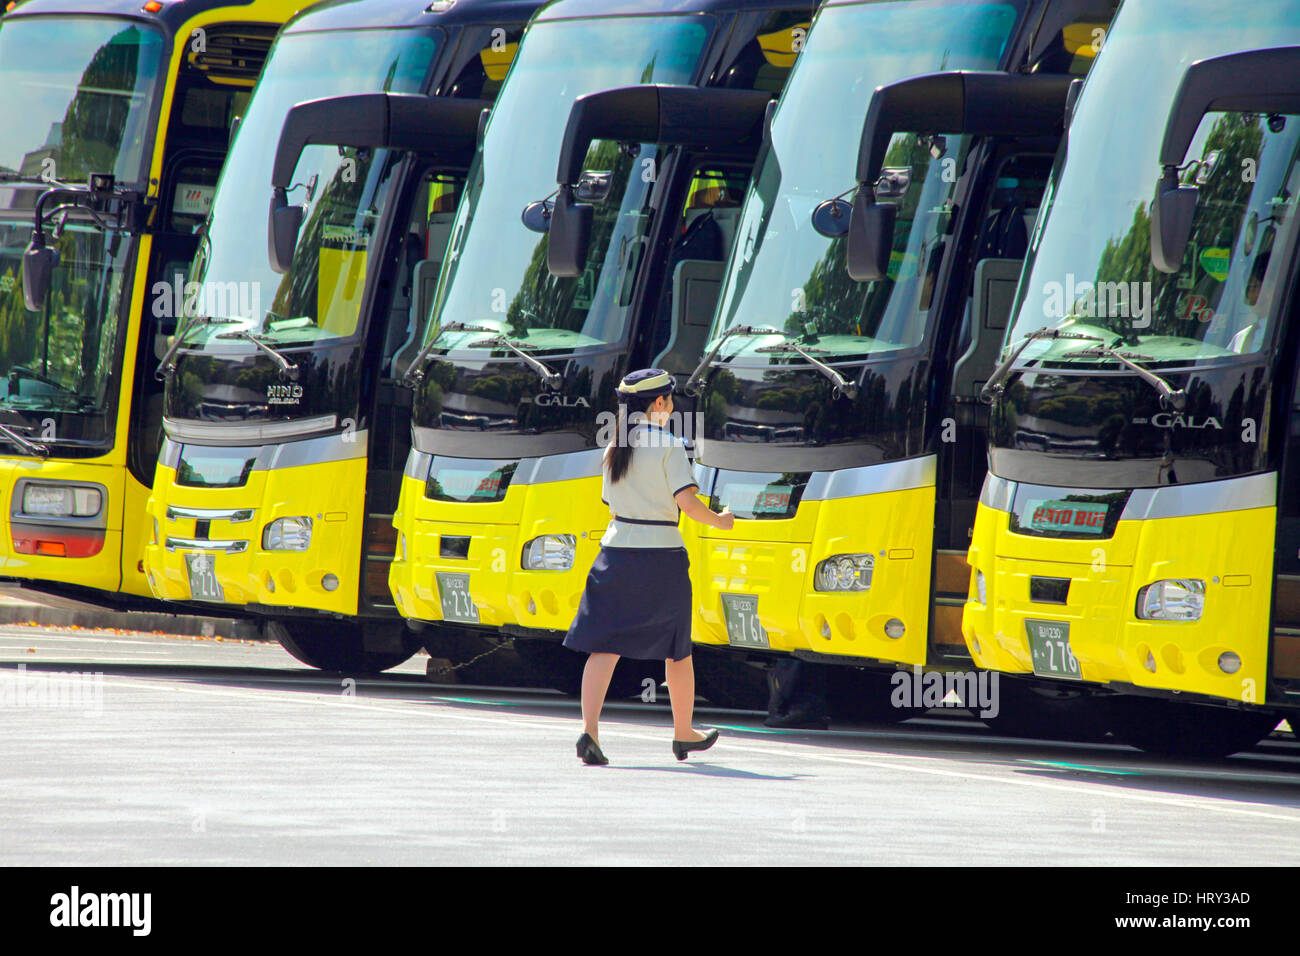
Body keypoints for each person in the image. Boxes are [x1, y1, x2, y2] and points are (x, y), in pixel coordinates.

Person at [563, 368, 735, 764]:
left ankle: (589, 731)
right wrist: (722, 521)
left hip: (614, 553)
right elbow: (689, 506)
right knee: (677, 651)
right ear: (659, 403)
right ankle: (682, 732)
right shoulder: (670, 445)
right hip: (661, 557)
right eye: (669, 402)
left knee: (604, 648)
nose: (671, 409)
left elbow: (612, 504)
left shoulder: (613, 447)